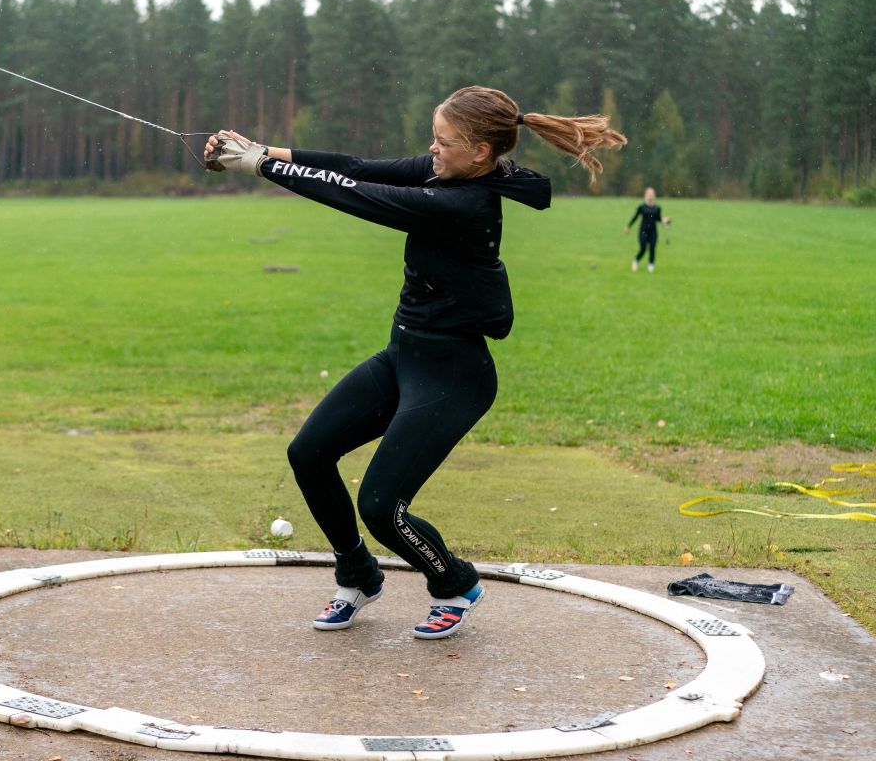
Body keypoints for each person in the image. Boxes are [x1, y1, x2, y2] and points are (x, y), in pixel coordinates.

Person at [205, 86, 626, 639]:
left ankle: (454, 583)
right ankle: (358, 574)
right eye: (434, 137)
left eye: (443, 141)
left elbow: (358, 194)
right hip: (403, 355)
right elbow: (355, 167)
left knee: (382, 507)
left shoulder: (464, 205)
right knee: (308, 453)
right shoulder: (443, 173)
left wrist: (261, 167)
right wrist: (266, 151)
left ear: (479, 151)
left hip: (454, 375)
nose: (432, 149)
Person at [624, 187, 671, 272]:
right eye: (648, 194)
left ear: (654, 196)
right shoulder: (641, 207)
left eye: (652, 194)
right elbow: (635, 217)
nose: (650, 196)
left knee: (652, 248)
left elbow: (658, 218)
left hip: (653, 231)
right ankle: (636, 260)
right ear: (645, 195)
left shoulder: (657, 208)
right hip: (643, 231)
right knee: (643, 248)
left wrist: (665, 220)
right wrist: (628, 226)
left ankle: (651, 265)